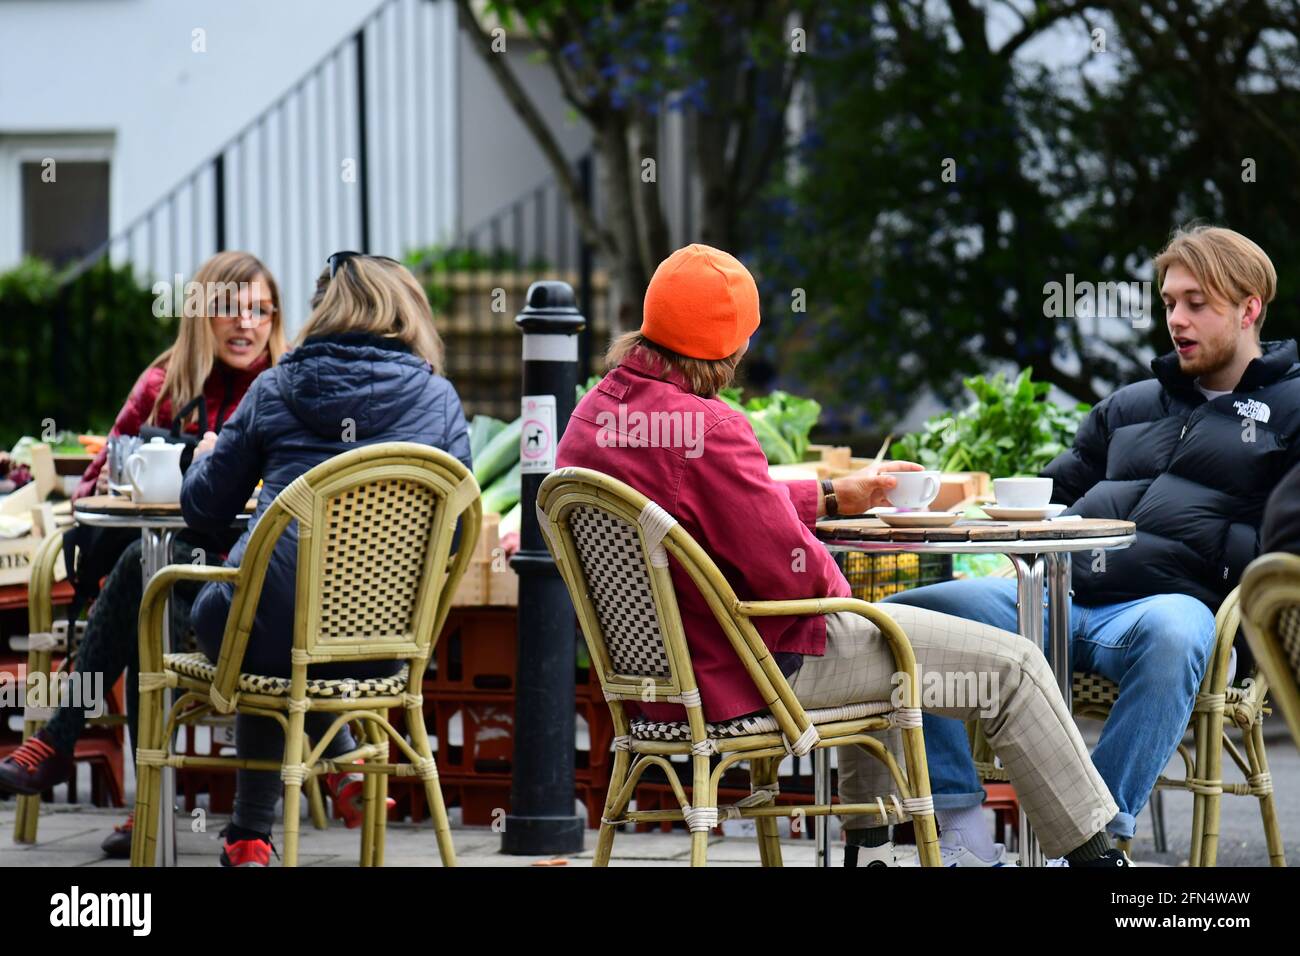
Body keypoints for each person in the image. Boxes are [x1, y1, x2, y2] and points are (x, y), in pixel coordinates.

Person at [556, 243, 1129, 867]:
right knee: (1011, 665)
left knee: (876, 647)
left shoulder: (595, 416)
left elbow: (692, 499)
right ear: (727, 346)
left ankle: (874, 855)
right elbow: (793, 581)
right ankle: (1100, 861)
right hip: (752, 677)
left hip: (657, 690)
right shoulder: (713, 429)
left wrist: (828, 496)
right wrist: (843, 587)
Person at [886, 224, 1300, 864]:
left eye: (1198, 303)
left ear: (1249, 309)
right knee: (904, 622)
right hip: (1057, 596)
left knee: (1175, 634)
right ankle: (963, 839)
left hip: (1172, 608)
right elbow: (1045, 493)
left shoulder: (1292, 408)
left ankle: (1085, 846)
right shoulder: (1130, 405)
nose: (1177, 320)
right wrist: (963, 514)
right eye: (1169, 303)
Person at [179, 252, 471, 866]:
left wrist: (202, 457)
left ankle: (256, 830)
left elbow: (204, 512)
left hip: (269, 634)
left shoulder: (275, 387)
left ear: (323, 312)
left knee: (243, 610)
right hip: (385, 644)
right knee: (276, 619)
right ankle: (302, 789)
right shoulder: (440, 401)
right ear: (405, 312)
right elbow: (450, 535)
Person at [0, 251, 287, 858]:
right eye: (231, 309)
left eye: (262, 311)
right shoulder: (164, 385)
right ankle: (141, 803)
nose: (248, 325)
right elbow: (92, 482)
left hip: (241, 591)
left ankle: (75, 753)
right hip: (169, 577)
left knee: (139, 584)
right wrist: (126, 480)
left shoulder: (281, 388)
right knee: (142, 588)